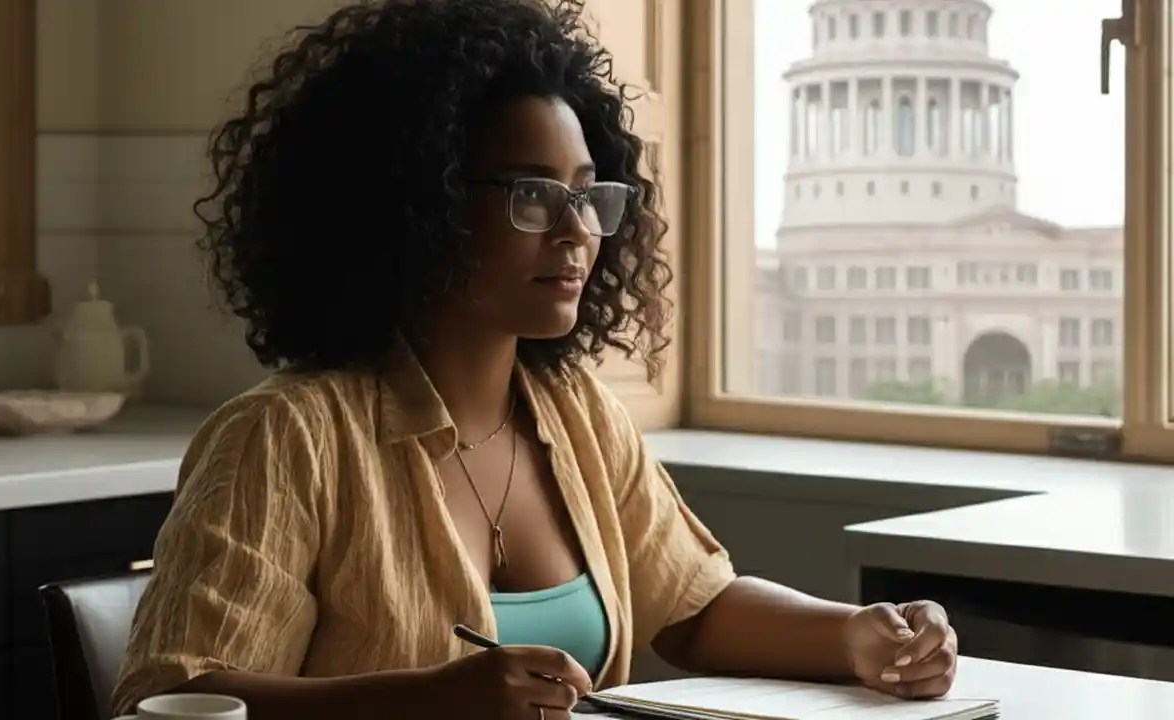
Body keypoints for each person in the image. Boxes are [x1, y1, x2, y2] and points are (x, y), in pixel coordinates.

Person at [111, 0, 959, 717]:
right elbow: (171, 695)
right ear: (418, 204)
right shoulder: (283, 438)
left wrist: (854, 634)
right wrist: (429, 702)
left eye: (589, 195)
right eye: (531, 194)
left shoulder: (574, 410)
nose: (577, 231)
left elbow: (693, 609)